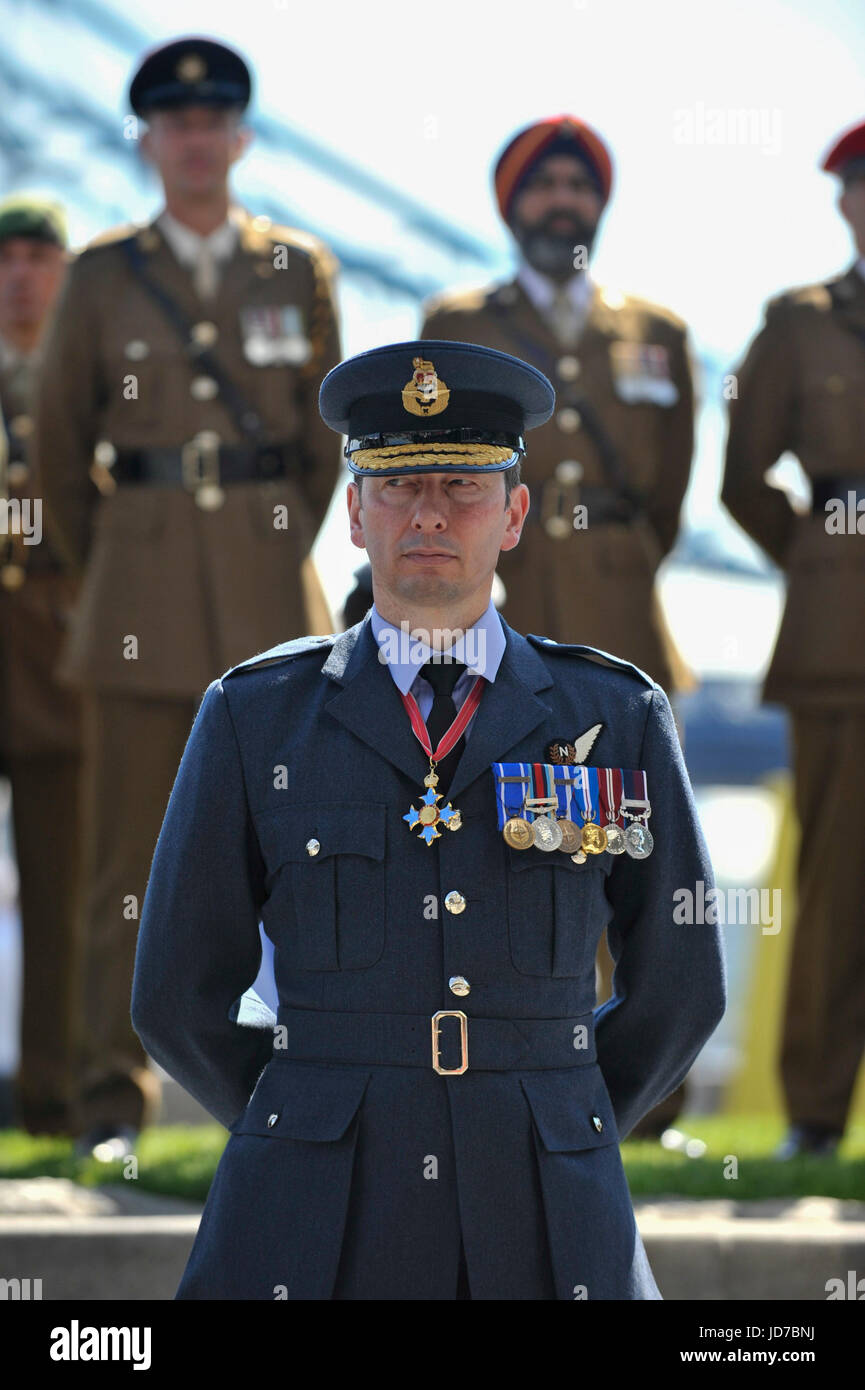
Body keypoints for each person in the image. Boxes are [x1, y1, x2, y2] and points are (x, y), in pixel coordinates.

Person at [131, 339, 726, 1300]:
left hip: (545, 1202)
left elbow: (682, 984)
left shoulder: (614, 717)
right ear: (355, 514)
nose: (431, 513)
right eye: (398, 487)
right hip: (317, 1202)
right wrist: (307, 1113)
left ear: (515, 513)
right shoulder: (254, 714)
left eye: (463, 485)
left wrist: (556, 1111)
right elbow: (174, 993)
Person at [32, 36, 342, 1159]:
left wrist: (268, 555)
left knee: (304, 854)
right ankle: (110, 1106)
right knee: (122, 867)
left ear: (241, 138)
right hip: (136, 606)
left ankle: (297, 1095)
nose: (197, 139)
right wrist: (122, 559)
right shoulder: (105, 273)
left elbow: (321, 447)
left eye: (215, 121)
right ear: (151, 142)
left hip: (268, 599)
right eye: (176, 122)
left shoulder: (296, 268)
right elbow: (61, 445)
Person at [421, 115, 698, 1139]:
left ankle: (647, 1112)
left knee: (632, 859)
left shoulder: (655, 330)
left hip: (622, 627)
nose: (563, 203)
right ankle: (506, 1089)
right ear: (509, 206)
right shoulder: (459, 319)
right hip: (508, 628)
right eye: (543, 187)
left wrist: (609, 564)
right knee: (516, 864)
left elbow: (665, 497)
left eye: (581, 186)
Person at [722, 118, 865, 1160]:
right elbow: (740, 476)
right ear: (843, 203)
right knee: (837, 881)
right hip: (842, 643)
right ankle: (813, 1117)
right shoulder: (796, 322)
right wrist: (822, 561)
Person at [0, 196, 83, 1135]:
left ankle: (57, 1105)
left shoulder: (87, 375)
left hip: (60, 656)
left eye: (36, 256)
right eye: (6, 258)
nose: (19, 274)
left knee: (66, 891)